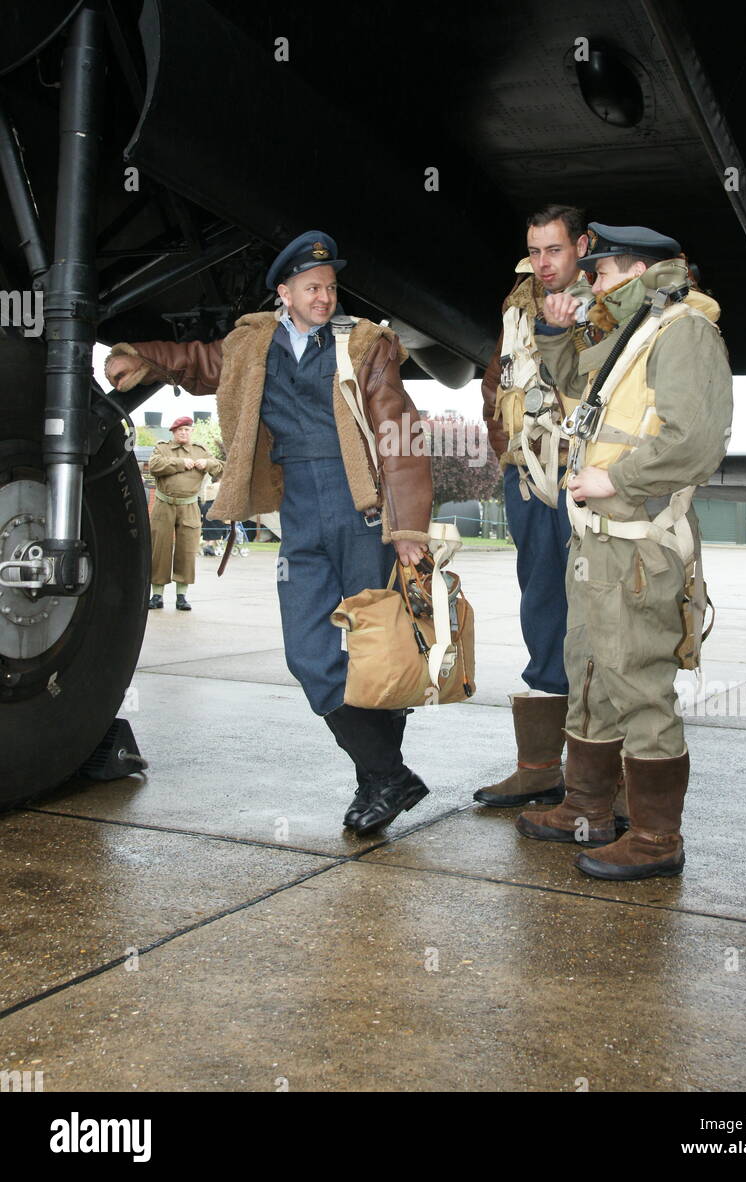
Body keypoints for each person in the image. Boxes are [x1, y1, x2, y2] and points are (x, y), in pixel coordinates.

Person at [105, 230, 433, 835]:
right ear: (283, 292)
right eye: (312, 288)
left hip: (363, 508)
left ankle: (376, 783)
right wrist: (143, 356)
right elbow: (196, 362)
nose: (324, 297)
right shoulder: (252, 344)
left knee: (378, 654)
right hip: (298, 510)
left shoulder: (365, 345)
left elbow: (399, 433)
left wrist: (408, 526)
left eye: (330, 287)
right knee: (309, 654)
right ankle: (389, 772)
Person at [515, 224, 733, 880]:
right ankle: (587, 809)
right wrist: (557, 332)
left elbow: (696, 439)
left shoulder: (683, 332)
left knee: (638, 685)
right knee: (590, 675)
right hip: (598, 541)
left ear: (637, 273)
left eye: (603, 276)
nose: (593, 289)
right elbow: (573, 382)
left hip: (637, 544)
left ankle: (657, 839)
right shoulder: (632, 334)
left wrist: (617, 479)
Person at [476, 205, 595, 807]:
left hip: (586, 486)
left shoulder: (609, 301)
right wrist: (505, 449)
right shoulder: (516, 307)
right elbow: (498, 380)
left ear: (582, 246)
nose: (545, 263)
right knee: (541, 610)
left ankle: (604, 779)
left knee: (601, 623)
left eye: (555, 250)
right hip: (529, 482)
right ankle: (541, 766)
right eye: (536, 251)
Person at [147, 417, 224, 610]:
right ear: (173, 431)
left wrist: (206, 463)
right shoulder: (162, 448)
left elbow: (221, 468)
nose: (184, 433)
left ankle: (182, 596)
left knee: (187, 551)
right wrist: (181, 463)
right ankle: (157, 595)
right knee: (160, 549)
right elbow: (155, 466)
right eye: (180, 430)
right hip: (164, 505)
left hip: (189, 506)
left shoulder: (200, 450)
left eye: (187, 430)